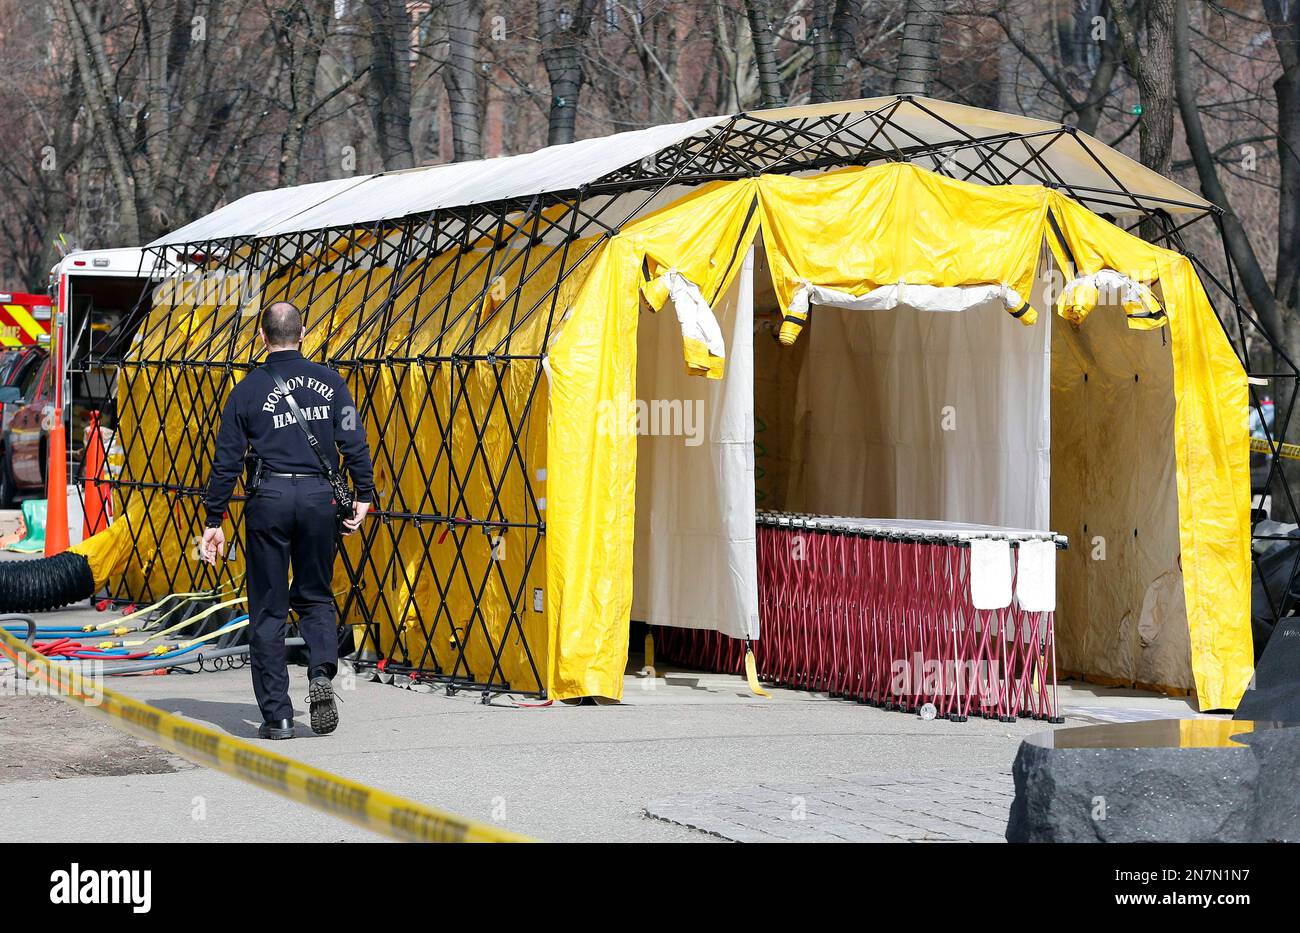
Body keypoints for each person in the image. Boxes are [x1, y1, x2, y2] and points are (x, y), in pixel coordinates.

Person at [200, 301, 374, 740]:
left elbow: (226, 461)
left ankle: (278, 716)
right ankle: (319, 671)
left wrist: (214, 518)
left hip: (270, 499)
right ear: (304, 333)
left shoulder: (245, 392)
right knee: (315, 595)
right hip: (319, 499)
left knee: (269, 608)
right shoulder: (334, 384)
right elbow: (354, 439)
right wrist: (364, 495)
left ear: (261, 337)